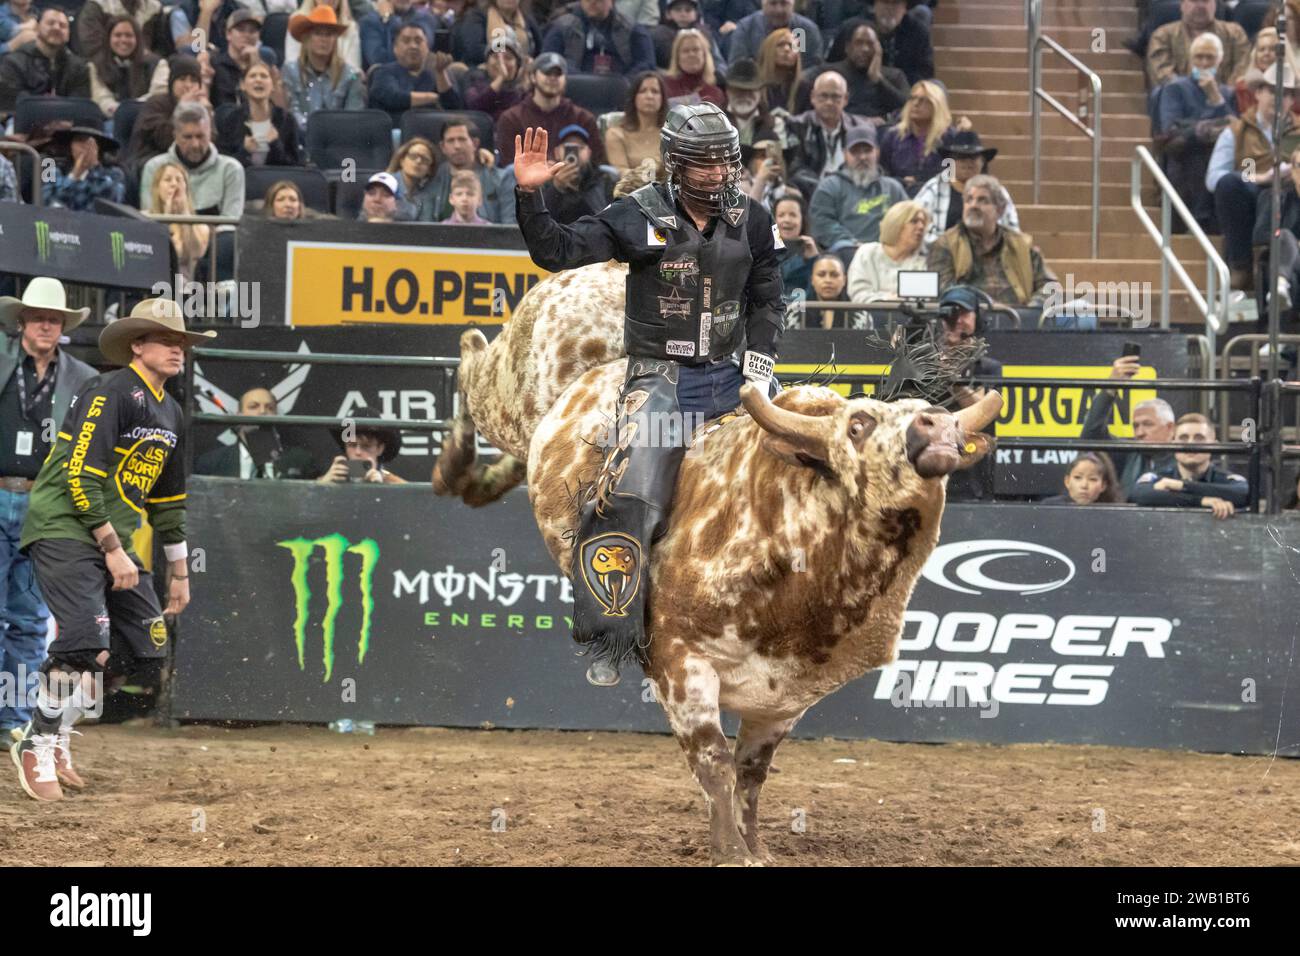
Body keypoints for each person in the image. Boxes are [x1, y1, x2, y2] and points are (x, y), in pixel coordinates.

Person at [513, 104, 784, 686]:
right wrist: (531, 197)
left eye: (724, 162)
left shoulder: (753, 219)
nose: (717, 174)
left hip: (736, 373)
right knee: (633, 491)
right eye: (704, 164)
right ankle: (611, 637)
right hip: (662, 378)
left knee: (804, 457)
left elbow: (767, 299)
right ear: (677, 166)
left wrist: (759, 370)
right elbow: (555, 253)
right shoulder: (638, 215)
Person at [11, 298, 215, 802]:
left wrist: (180, 574)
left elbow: (169, 501)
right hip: (65, 527)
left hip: (111, 540)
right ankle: (37, 741)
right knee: (83, 640)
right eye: (166, 339)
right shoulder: (110, 390)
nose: (178, 348)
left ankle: (54, 729)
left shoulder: (170, 410)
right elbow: (82, 475)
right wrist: (112, 548)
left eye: (182, 341)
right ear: (137, 345)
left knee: (147, 646)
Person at [0, 280, 97, 741]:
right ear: (21, 321)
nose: (46, 324)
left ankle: (13, 721)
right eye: (38, 316)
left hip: (46, 502)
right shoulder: (1, 358)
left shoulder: (81, 377)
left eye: (54, 319)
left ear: (62, 327)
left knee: (30, 618)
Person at [1207, 63, 1295, 292]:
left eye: (1286, 94)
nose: (1279, 98)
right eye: (1272, 91)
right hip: (1252, 193)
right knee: (1229, 183)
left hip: (1292, 195)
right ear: (1258, 93)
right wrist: (1260, 177)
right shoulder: (1236, 131)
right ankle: (1240, 265)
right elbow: (1214, 177)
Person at [928, 173, 1055, 309]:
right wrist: (987, 308)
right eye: (969, 200)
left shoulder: (1021, 244)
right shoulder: (945, 244)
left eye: (983, 200)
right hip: (969, 320)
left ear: (1000, 210)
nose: (973, 206)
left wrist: (1030, 312)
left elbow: (1051, 287)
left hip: (1017, 320)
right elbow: (944, 290)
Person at [1157, 31, 1235, 232]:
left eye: (1210, 57)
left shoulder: (1227, 94)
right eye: (1199, 57)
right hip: (1186, 161)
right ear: (1190, 59)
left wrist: (1216, 100)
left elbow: (1236, 130)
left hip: (1222, 161)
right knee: (1197, 155)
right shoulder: (1175, 88)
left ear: (1220, 61)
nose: (1204, 63)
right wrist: (1212, 127)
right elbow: (1171, 132)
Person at [1079, 352, 1178, 501]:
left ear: (1170, 428)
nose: (1140, 432)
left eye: (1147, 424)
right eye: (1136, 426)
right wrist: (1112, 385)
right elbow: (1090, 436)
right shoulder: (1128, 453)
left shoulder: (1185, 458)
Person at [936, 284, 1001, 501]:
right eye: (950, 313)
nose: (957, 320)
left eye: (964, 313)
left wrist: (953, 381)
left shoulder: (988, 367)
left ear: (977, 319)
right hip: (931, 467)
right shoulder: (923, 363)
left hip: (973, 474)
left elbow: (988, 411)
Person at [808, 124, 907, 264]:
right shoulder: (829, 186)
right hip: (846, 253)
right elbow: (822, 224)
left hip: (888, 253)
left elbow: (908, 221)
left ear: (877, 152)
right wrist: (854, 244)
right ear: (844, 154)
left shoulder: (893, 188)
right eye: (855, 151)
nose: (862, 157)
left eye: (867, 151)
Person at [913, 129, 1017, 253]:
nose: (967, 162)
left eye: (973, 157)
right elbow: (916, 228)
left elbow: (1012, 231)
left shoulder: (998, 192)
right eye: (961, 157)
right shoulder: (933, 188)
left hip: (988, 258)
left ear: (982, 162)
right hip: (941, 257)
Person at [1130, 413, 1250, 518]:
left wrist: (1180, 485)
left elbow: (1243, 493)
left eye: (1199, 438)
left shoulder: (1227, 479)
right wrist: (1201, 501)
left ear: (1214, 445)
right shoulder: (1156, 477)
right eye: (1183, 438)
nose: (1191, 444)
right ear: (1173, 444)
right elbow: (1140, 494)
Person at [496, 52, 605, 166]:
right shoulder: (511, 119)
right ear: (533, 77)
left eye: (558, 74)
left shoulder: (584, 119)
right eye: (547, 73)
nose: (553, 78)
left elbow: (598, 162)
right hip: (528, 181)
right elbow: (507, 165)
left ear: (565, 79)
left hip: (578, 180)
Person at [141, 102, 246, 219]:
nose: (195, 144)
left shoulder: (231, 170)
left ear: (210, 134)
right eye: (188, 137)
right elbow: (149, 222)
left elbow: (231, 226)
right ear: (175, 136)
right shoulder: (154, 168)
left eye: (200, 136)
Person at [282, 4, 366, 139]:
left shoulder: (351, 75)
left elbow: (353, 117)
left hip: (338, 142)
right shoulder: (290, 71)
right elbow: (292, 113)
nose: (324, 39)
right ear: (307, 38)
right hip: (300, 142)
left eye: (329, 34)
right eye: (318, 33)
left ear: (335, 40)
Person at [786, 70, 874, 198]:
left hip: (851, 193)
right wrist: (826, 188)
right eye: (823, 96)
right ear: (813, 97)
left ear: (846, 99)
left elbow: (868, 167)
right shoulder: (796, 125)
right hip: (809, 195)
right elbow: (796, 168)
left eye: (835, 97)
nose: (829, 102)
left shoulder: (861, 128)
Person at [195, 387, 317, 478]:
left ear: (276, 415)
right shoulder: (211, 462)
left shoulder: (300, 459)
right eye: (253, 406)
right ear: (239, 416)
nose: (263, 411)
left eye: (270, 407)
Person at [802, 22, 907, 122]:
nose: (865, 49)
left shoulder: (894, 76)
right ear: (848, 47)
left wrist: (879, 80)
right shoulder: (829, 73)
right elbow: (800, 80)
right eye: (859, 43)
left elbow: (909, 106)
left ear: (879, 48)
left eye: (870, 44)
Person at [124, 53, 207, 174]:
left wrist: (207, 113)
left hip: (193, 161)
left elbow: (210, 141)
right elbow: (165, 140)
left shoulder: (202, 108)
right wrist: (182, 108)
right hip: (153, 160)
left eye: (193, 80)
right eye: (182, 79)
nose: (188, 85)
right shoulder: (156, 104)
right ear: (172, 82)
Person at [878, 79, 963, 196]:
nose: (916, 104)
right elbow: (882, 173)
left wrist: (922, 183)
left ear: (936, 105)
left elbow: (952, 176)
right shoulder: (893, 136)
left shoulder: (950, 138)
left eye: (923, 100)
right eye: (913, 98)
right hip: (898, 198)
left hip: (938, 198)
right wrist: (901, 182)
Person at [368, 23, 463, 125]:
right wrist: (433, 98)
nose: (413, 46)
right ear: (395, 48)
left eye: (418, 41)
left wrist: (440, 73)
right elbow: (392, 97)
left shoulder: (440, 72)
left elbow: (454, 108)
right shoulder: (384, 71)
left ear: (427, 48)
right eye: (406, 41)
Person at [0, 8, 91, 114]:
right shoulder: (14, 62)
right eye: (50, 23)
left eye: (63, 25)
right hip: (23, 121)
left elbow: (80, 106)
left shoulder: (79, 67)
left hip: (67, 123)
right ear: (37, 28)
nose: (57, 28)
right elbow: (12, 103)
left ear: (69, 34)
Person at [215, 60, 304, 166]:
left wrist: (275, 144)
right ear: (243, 85)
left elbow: (295, 166)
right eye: (252, 76)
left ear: (272, 86)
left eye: (264, 76)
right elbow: (222, 164)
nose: (258, 80)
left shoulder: (286, 120)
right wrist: (245, 151)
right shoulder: (232, 120)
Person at [428, 117, 516, 223]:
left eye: (462, 139)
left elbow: (510, 226)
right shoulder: (431, 178)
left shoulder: (501, 179)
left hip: (489, 239)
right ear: (443, 147)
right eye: (451, 141)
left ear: (475, 143)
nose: (457, 146)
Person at [1146, 0, 1250, 88]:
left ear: (1215, 4)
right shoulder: (1162, 36)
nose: (1200, 6)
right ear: (1182, 5)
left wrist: (1222, 95)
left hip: (1227, 103)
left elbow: (1243, 70)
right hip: (1178, 103)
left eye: (1205, 1)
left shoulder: (1235, 34)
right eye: (1194, 0)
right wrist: (1193, 95)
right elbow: (1162, 75)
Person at [541, 0, 655, 77]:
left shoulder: (633, 31)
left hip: (621, 95)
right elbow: (547, 62)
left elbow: (646, 66)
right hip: (573, 93)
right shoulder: (561, 27)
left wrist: (625, 83)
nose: (592, 3)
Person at [846, 198, 928, 301]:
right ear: (896, 223)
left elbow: (919, 300)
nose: (921, 227)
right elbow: (858, 293)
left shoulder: (922, 262)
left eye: (923, 223)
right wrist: (889, 299)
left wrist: (881, 297)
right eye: (914, 221)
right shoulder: (867, 253)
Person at [88, 16, 161, 122]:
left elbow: (157, 94)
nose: (123, 40)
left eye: (129, 35)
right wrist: (120, 112)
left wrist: (130, 110)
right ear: (109, 38)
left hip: (146, 118)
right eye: (117, 35)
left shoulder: (158, 64)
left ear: (138, 39)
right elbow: (101, 97)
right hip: (110, 118)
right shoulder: (95, 66)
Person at [145, 161, 211, 279]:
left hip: (186, 289)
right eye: (168, 179)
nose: (174, 184)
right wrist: (166, 217)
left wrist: (184, 213)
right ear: (157, 187)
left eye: (179, 180)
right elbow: (153, 254)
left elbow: (196, 252)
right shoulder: (145, 219)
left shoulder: (201, 227)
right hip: (152, 283)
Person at [539, 124, 614, 224]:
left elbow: (605, 220)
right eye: (568, 147)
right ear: (556, 152)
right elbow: (540, 222)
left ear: (589, 153)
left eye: (580, 147)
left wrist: (575, 191)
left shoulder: (603, 179)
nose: (575, 153)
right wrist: (556, 189)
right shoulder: (545, 179)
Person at [42, 127, 127, 211]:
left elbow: (111, 201)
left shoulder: (114, 173)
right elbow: (47, 204)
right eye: (80, 140)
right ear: (71, 144)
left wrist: (95, 168)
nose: (85, 147)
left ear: (98, 148)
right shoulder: (51, 169)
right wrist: (74, 176)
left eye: (90, 143)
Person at [317, 406, 407, 483]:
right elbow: (307, 499)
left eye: (366, 446)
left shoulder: (396, 485)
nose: (358, 452)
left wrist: (380, 488)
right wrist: (324, 486)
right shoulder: (328, 481)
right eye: (352, 445)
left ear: (380, 449)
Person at [727, 0, 822, 70]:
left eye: (784, 3)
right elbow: (737, 66)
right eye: (773, 3)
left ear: (793, 4)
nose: (778, 10)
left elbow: (813, 67)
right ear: (762, 4)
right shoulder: (746, 29)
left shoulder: (805, 30)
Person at [605, 72, 668, 175]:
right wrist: (649, 176)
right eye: (643, 91)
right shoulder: (616, 134)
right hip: (631, 189)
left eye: (655, 91)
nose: (649, 96)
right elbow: (621, 172)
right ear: (634, 97)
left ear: (663, 99)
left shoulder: (672, 135)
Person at [210, 8, 274, 110]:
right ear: (228, 34)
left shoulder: (266, 66)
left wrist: (255, 63)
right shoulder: (216, 65)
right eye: (241, 30)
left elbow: (274, 104)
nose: (247, 35)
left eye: (252, 31)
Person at [463, 27, 531, 120]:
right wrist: (500, 79)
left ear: (517, 66)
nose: (501, 62)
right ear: (486, 64)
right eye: (496, 57)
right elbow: (475, 108)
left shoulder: (524, 89)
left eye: (508, 57)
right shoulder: (476, 82)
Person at [452, 0, 541, 68]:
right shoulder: (477, 17)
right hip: (484, 71)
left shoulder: (527, 19)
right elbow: (474, 50)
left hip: (525, 73)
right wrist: (508, 59)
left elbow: (540, 50)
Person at [76, 0, 168, 61]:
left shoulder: (155, 8)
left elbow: (162, 47)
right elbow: (92, 48)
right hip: (106, 69)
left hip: (146, 68)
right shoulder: (96, 6)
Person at [284, 0, 362, 72]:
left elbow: (354, 70)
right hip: (302, 78)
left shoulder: (350, 28)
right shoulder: (298, 23)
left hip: (340, 82)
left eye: (329, 34)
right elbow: (291, 61)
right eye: (317, 33)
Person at [359, 0, 438, 70]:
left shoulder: (425, 19)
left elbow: (419, 55)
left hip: (420, 81)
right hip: (384, 81)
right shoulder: (369, 22)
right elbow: (379, 60)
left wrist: (390, 19)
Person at [869, 0, 933, 86]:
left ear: (905, 8)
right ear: (874, 5)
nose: (889, 8)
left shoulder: (918, 32)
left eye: (896, 3)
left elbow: (925, 72)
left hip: (906, 89)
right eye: (885, 2)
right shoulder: (859, 29)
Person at [652, 0, 723, 74]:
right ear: (668, 14)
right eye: (678, 10)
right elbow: (652, 65)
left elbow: (718, 62)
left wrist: (717, 75)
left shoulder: (705, 33)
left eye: (688, 10)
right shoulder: (657, 35)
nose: (683, 14)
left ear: (696, 14)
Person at [662, 27, 725, 108]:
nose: (691, 54)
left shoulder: (716, 91)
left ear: (705, 55)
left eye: (696, 50)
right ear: (677, 57)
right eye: (685, 51)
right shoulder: (665, 87)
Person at [723, 57, 779, 146]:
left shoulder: (775, 124)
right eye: (738, 90)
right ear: (727, 91)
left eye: (750, 90)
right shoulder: (712, 124)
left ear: (760, 93)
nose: (744, 95)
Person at [774, 193, 817, 298]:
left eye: (793, 215)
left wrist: (813, 261)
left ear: (803, 219)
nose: (787, 220)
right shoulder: (762, 250)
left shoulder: (812, 251)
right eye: (781, 215)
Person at [1040, 452, 1124, 505]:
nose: (1084, 485)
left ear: (1103, 485)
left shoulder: (1113, 512)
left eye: (1092, 479)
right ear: (1067, 481)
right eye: (1078, 477)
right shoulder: (1050, 506)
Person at [385, 136, 438, 221]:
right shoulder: (385, 184)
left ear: (430, 169)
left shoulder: (424, 195)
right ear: (402, 161)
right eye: (413, 156)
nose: (418, 161)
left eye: (424, 159)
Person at [794, 253, 849, 328]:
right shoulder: (795, 313)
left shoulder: (859, 315)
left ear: (844, 280)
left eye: (834, 275)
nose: (828, 280)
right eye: (821, 274)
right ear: (812, 280)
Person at [756, 26, 801, 114]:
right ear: (768, 50)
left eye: (791, 46)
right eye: (780, 45)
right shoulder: (753, 86)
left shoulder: (804, 89)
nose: (787, 49)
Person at [1235, 26, 1277, 115]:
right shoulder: (1242, 86)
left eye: (1273, 49)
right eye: (1261, 49)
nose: (1266, 54)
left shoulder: (1294, 85)